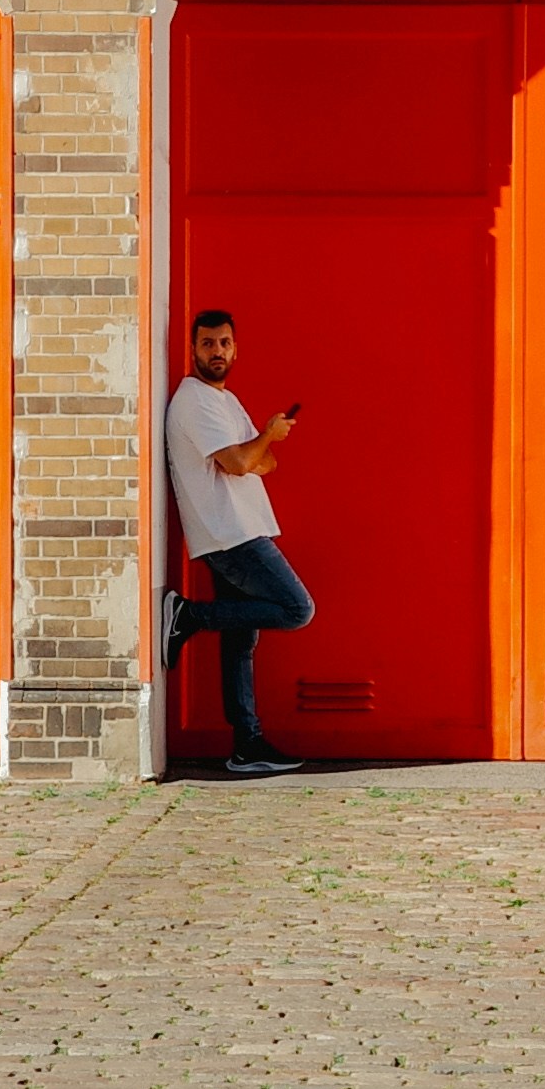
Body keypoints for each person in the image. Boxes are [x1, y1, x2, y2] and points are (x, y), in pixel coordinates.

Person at [161, 304, 313, 778]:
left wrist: (259, 446)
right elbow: (242, 464)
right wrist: (267, 435)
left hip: (240, 527)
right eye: (207, 343)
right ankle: (187, 615)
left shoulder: (223, 400)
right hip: (232, 535)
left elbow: (265, 463)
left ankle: (246, 744)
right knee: (296, 609)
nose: (217, 351)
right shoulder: (195, 401)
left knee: (240, 641)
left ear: (235, 347)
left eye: (224, 343)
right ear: (192, 349)